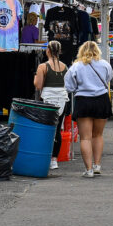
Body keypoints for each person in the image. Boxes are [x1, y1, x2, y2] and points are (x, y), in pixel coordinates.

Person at [64, 41, 112, 178]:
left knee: (85, 137)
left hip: (83, 100)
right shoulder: (104, 64)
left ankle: (89, 169)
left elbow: (69, 87)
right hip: (101, 100)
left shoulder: (76, 66)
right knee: (98, 135)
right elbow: (109, 78)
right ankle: (97, 165)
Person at [33, 41, 68, 170]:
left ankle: (45, 157)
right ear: (59, 51)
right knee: (57, 129)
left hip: (47, 98)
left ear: (48, 50)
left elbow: (38, 85)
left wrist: (35, 78)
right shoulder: (65, 66)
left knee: (46, 129)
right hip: (62, 99)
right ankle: (54, 160)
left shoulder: (43, 67)